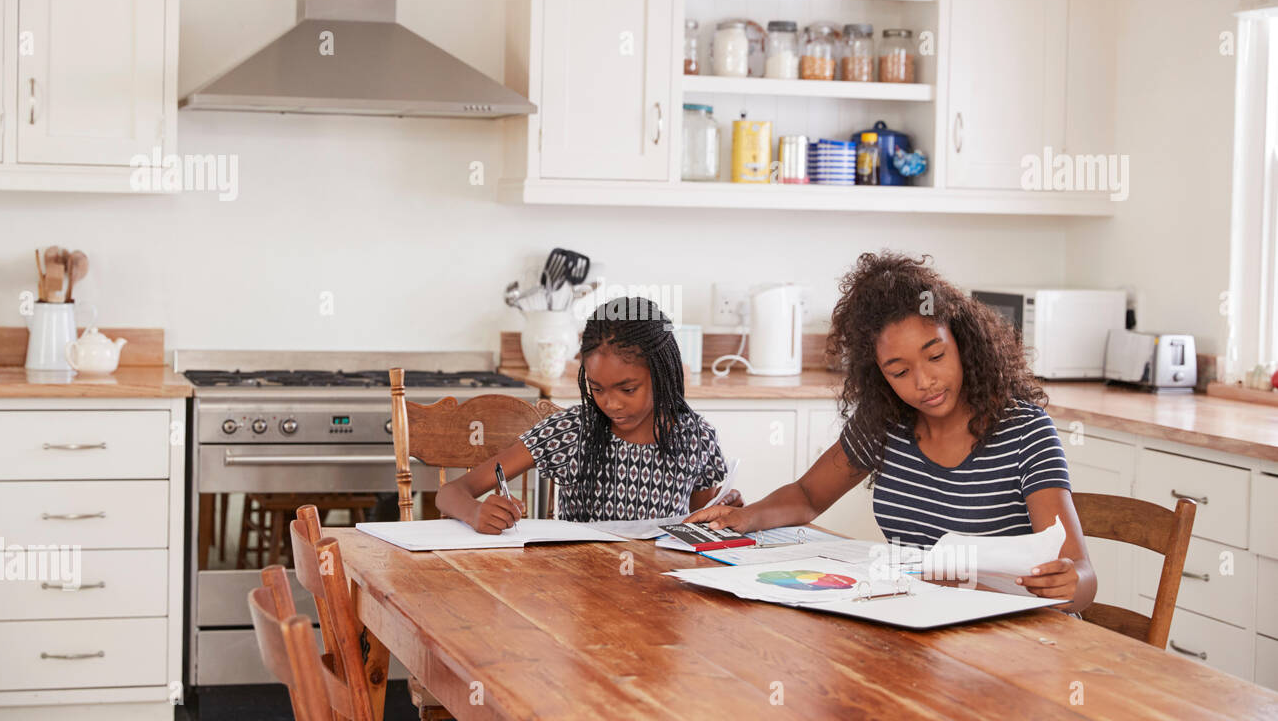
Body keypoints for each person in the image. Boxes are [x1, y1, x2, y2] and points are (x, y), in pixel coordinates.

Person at [686, 251, 1095, 612]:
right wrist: (746, 517)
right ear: (879, 376)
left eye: (935, 356)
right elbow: (809, 495)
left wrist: (1069, 584)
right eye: (899, 371)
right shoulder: (885, 423)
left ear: (963, 343)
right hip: (926, 622)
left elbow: (1083, 578)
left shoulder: (1024, 431)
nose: (924, 382)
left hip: (1014, 638)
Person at [436, 296, 741, 533]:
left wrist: (725, 514)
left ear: (662, 374)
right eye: (597, 388)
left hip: (662, 595)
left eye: (627, 389)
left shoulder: (695, 436)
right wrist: (475, 513)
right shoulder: (572, 431)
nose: (611, 404)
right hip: (580, 591)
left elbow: (699, 524)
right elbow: (451, 492)